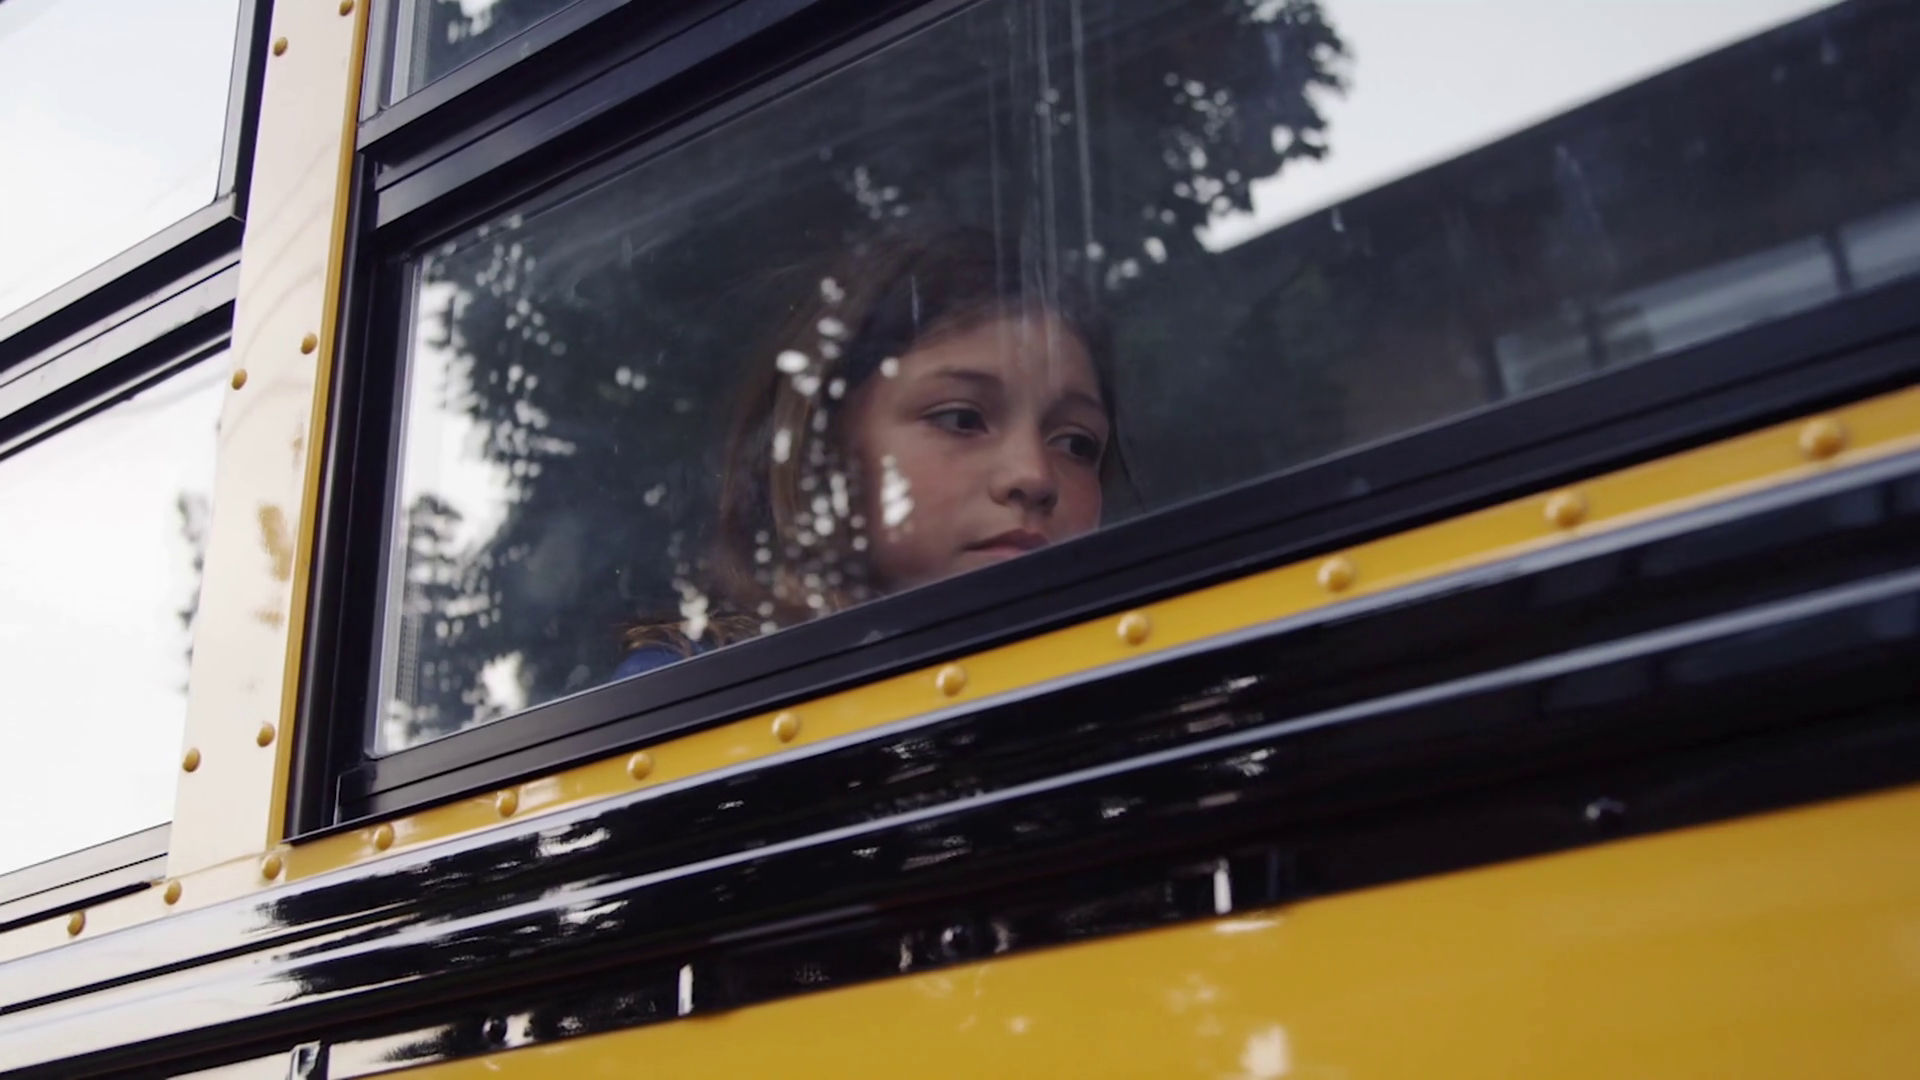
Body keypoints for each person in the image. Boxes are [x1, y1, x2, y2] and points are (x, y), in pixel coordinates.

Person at [615, 227, 1125, 679]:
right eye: (961, 419)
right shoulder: (692, 684)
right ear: (826, 452)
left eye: (1077, 444)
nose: (1034, 476)